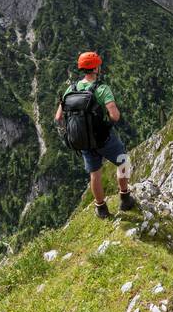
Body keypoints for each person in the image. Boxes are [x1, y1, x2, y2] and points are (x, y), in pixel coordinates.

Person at [55, 51, 135, 220]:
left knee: (95, 174)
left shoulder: (71, 89)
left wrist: (73, 131)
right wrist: (105, 125)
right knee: (124, 162)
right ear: (96, 68)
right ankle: (125, 197)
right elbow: (115, 116)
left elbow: (58, 117)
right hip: (103, 139)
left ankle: (101, 209)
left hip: (83, 141)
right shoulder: (101, 88)